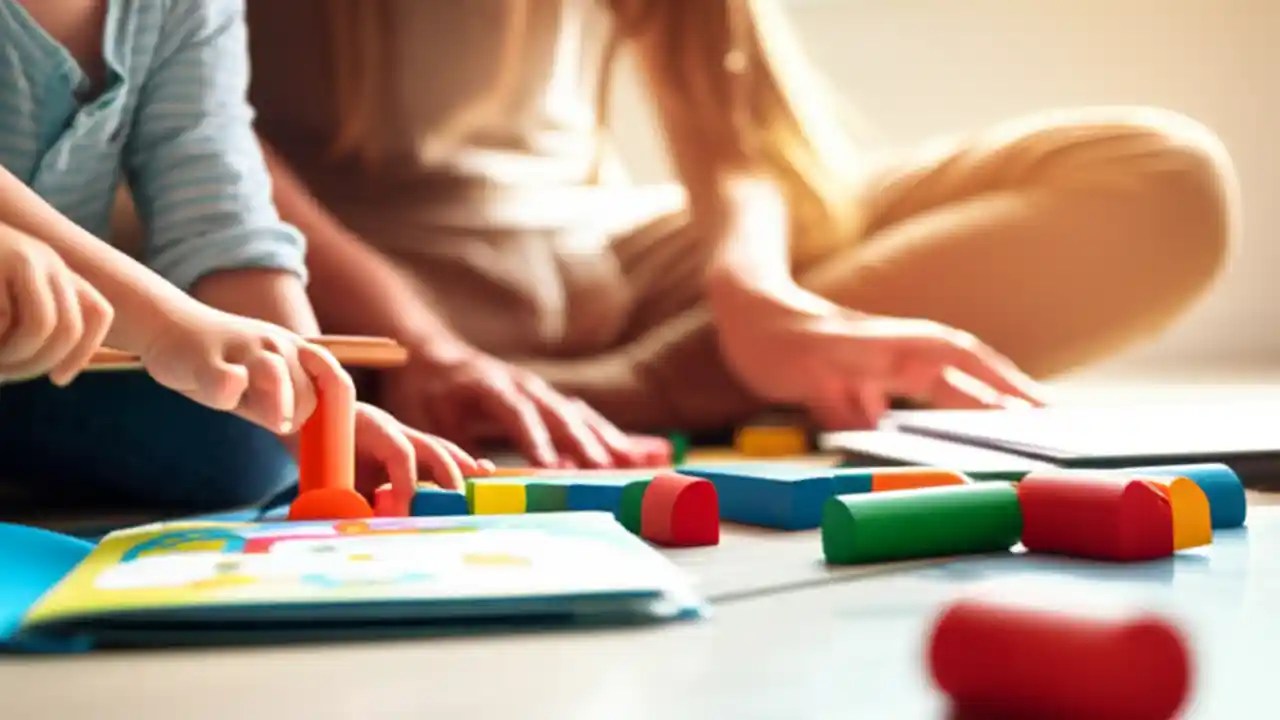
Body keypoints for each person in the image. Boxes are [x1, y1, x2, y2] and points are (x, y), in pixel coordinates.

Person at [246, 0, 1235, 467]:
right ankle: (597, 395)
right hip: (353, 289)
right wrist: (425, 345)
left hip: (610, 257)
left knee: (1155, 178)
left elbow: (732, 130)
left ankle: (646, 388)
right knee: (228, 349)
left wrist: (757, 296)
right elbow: (201, 147)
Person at [0, 0, 487, 513]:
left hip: (47, 367)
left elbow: (220, 217)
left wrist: (314, 414)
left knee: (246, 443)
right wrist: (169, 327)